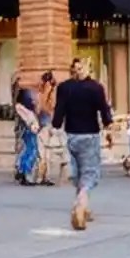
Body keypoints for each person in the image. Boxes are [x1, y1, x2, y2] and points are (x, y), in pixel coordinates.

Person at [52, 58, 113, 230]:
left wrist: (55, 126)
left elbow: (59, 111)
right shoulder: (95, 88)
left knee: (78, 173)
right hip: (89, 135)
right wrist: (108, 126)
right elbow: (104, 111)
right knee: (89, 175)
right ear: (88, 69)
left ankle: (84, 207)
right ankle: (80, 205)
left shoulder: (64, 88)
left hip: (71, 135)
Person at [12, 75, 41, 186]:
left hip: (27, 130)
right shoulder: (23, 108)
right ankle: (24, 173)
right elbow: (28, 120)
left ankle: (23, 172)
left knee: (28, 151)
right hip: (29, 130)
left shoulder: (22, 107)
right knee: (31, 151)